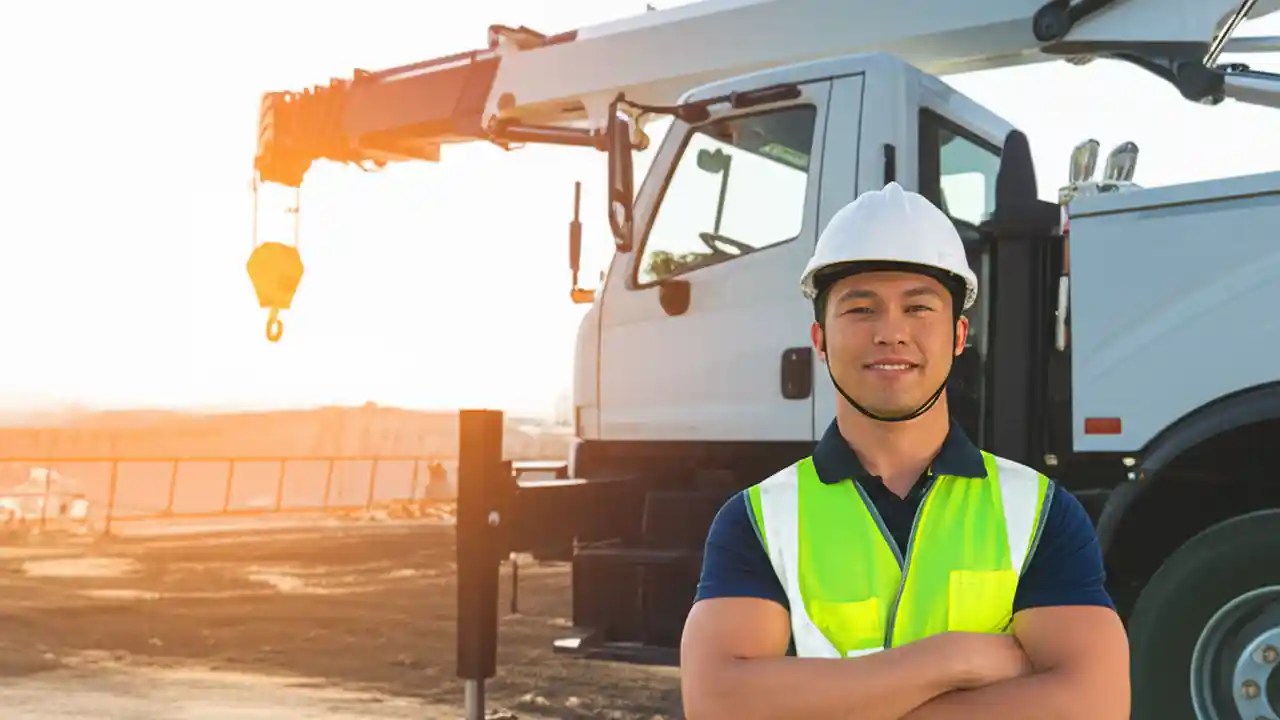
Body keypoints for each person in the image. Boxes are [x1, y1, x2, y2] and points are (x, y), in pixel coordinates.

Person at [679, 183, 1130, 719]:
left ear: (959, 335)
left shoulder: (1040, 512)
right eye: (861, 309)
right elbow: (721, 705)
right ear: (819, 339)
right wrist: (952, 659)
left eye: (918, 308)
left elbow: (1093, 705)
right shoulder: (757, 519)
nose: (891, 333)